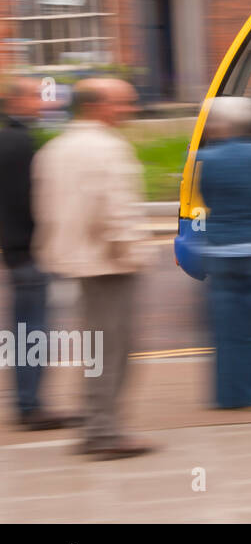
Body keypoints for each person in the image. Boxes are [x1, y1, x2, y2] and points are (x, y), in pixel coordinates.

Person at [32, 79, 153, 460]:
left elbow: (44, 207)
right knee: (115, 348)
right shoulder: (108, 148)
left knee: (98, 347)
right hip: (110, 263)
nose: (130, 110)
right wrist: (132, 252)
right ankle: (103, 432)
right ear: (98, 107)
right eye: (123, 104)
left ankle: (95, 424)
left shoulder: (55, 148)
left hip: (76, 261)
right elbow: (115, 210)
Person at [0, 78, 79, 430]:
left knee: (24, 331)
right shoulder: (19, 143)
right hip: (30, 253)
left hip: (16, 252)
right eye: (35, 95)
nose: (42, 100)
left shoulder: (10, 139)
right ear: (17, 101)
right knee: (33, 332)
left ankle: (28, 403)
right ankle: (31, 407)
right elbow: (29, 203)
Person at [197, 97, 251, 409]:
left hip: (220, 252)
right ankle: (250, 393)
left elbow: (208, 198)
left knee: (224, 329)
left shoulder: (209, 159)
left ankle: (226, 396)